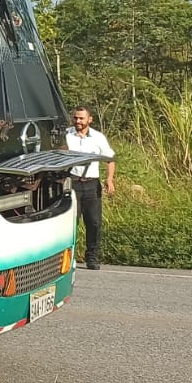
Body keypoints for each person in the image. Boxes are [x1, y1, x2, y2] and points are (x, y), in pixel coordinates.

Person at [65, 106, 116, 270]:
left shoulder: (98, 137)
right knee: (72, 222)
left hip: (92, 184)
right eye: (76, 118)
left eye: (81, 118)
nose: (78, 121)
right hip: (72, 183)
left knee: (94, 223)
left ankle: (92, 257)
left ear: (89, 119)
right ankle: (69, 258)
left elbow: (110, 158)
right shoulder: (66, 135)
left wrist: (109, 179)